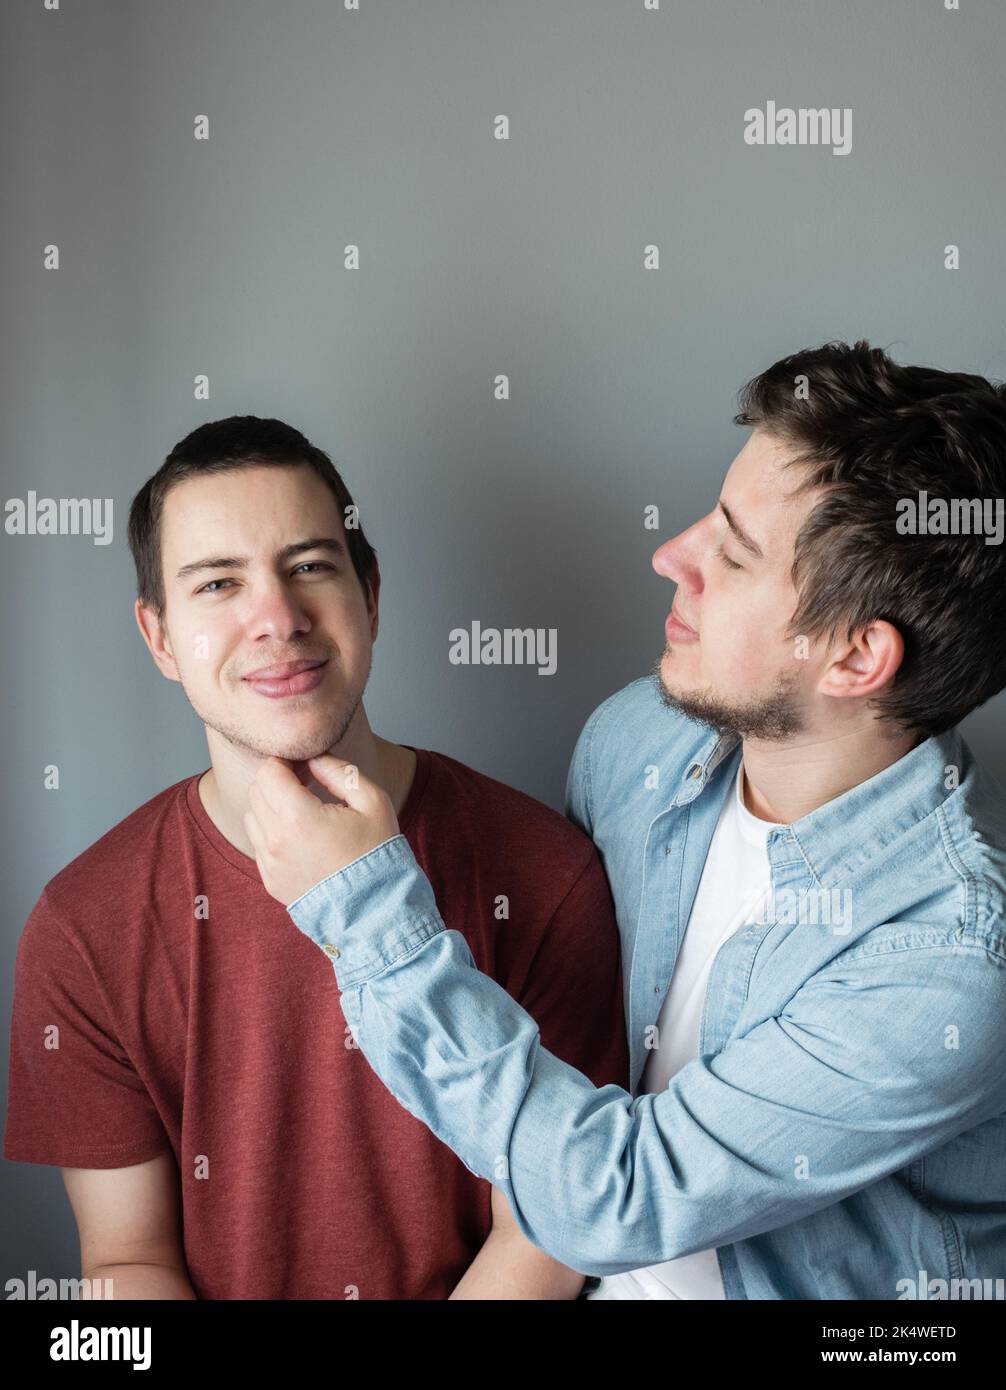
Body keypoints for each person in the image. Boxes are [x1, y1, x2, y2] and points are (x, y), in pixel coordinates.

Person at [244, 341, 1006, 1300]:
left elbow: (618, 1199)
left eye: (732, 552)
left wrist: (362, 910)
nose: (671, 555)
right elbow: (561, 1066)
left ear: (856, 660)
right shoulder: (637, 744)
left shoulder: (949, 960)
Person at [3, 416, 630, 1300]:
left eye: (309, 566)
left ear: (369, 594)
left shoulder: (542, 871)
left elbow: (552, 1228)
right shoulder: (83, 924)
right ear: (160, 638)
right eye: (218, 584)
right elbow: (124, 1261)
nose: (278, 619)